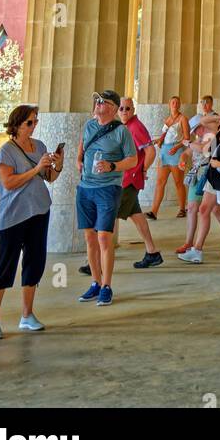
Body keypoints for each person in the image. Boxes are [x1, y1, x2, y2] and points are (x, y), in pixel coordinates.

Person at [0, 105, 63, 339]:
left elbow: (49, 177)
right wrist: (37, 168)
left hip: (39, 211)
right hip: (14, 216)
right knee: (6, 265)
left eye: (35, 122)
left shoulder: (38, 146)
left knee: (35, 262)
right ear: (17, 125)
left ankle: (27, 314)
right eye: (29, 122)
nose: (33, 126)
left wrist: (57, 164)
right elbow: (8, 183)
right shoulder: (7, 151)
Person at [76, 90, 138, 307]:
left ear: (113, 108)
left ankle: (107, 286)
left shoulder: (122, 132)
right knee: (90, 238)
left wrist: (113, 166)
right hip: (85, 188)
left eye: (103, 101)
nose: (98, 104)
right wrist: (78, 160)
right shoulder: (89, 125)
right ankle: (95, 281)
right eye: (97, 100)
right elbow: (82, 145)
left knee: (104, 237)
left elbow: (132, 160)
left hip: (108, 188)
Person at [179, 109, 220, 264]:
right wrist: (218, 116)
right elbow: (203, 121)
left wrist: (218, 163)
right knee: (203, 209)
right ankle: (197, 250)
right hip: (213, 178)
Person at [117, 97, 163, 269]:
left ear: (133, 110)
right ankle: (152, 252)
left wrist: (142, 170)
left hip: (130, 179)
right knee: (136, 214)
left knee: (110, 216)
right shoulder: (127, 126)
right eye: (121, 108)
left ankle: (97, 261)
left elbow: (150, 151)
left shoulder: (135, 127)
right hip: (127, 177)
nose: (124, 111)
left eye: (127, 108)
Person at [175, 115, 220, 256]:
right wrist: (182, 160)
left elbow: (202, 149)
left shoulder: (211, 137)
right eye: (194, 130)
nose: (196, 132)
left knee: (218, 210)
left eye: (197, 128)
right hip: (196, 176)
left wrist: (188, 143)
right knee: (192, 208)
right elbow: (186, 153)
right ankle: (189, 242)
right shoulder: (196, 140)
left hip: (209, 175)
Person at [145, 96, 191, 220]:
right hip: (165, 152)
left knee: (178, 182)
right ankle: (154, 212)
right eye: (172, 102)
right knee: (160, 182)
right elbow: (164, 135)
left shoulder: (183, 119)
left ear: (180, 104)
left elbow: (187, 139)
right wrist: (158, 141)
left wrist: (176, 147)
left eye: (177, 102)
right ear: (169, 105)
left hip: (176, 152)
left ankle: (182, 208)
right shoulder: (167, 119)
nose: (175, 104)